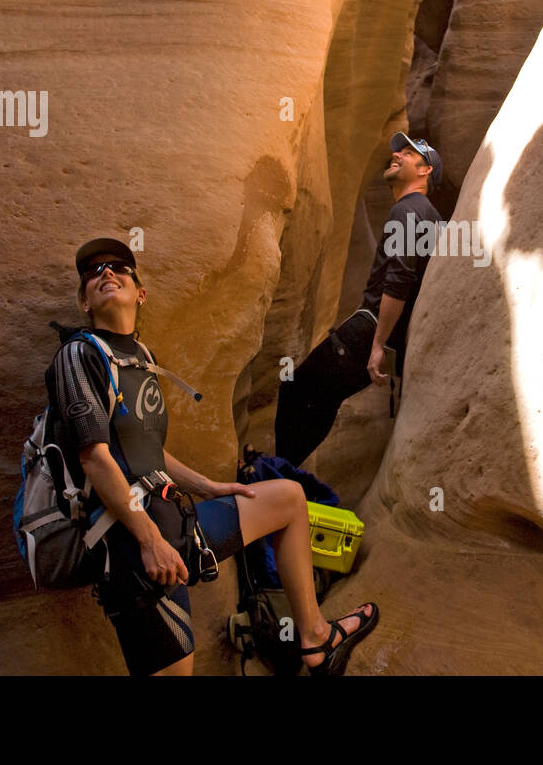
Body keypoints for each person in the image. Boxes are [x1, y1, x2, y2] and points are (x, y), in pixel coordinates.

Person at [46, 237, 378, 676]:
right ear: (84, 301)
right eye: (93, 273)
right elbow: (95, 459)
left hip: (174, 526)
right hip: (130, 544)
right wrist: (149, 541)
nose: (106, 273)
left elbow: (147, 449)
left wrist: (207, 486)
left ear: (140, 293)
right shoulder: (78, 355)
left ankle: (314, 638)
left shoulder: (140, 359)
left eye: (119, 268)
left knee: (288, 499)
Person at [275, 133, 444, 467]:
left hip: (370, 329)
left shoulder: (409, 210)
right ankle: (288, 479)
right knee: (321, 399)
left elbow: (399, 278)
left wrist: (378, 343)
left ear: (425, 171)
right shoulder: (429, 215)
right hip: (388, 332)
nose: (397, 154)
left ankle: (280, 481)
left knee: (296, 389)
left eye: (409, 154)